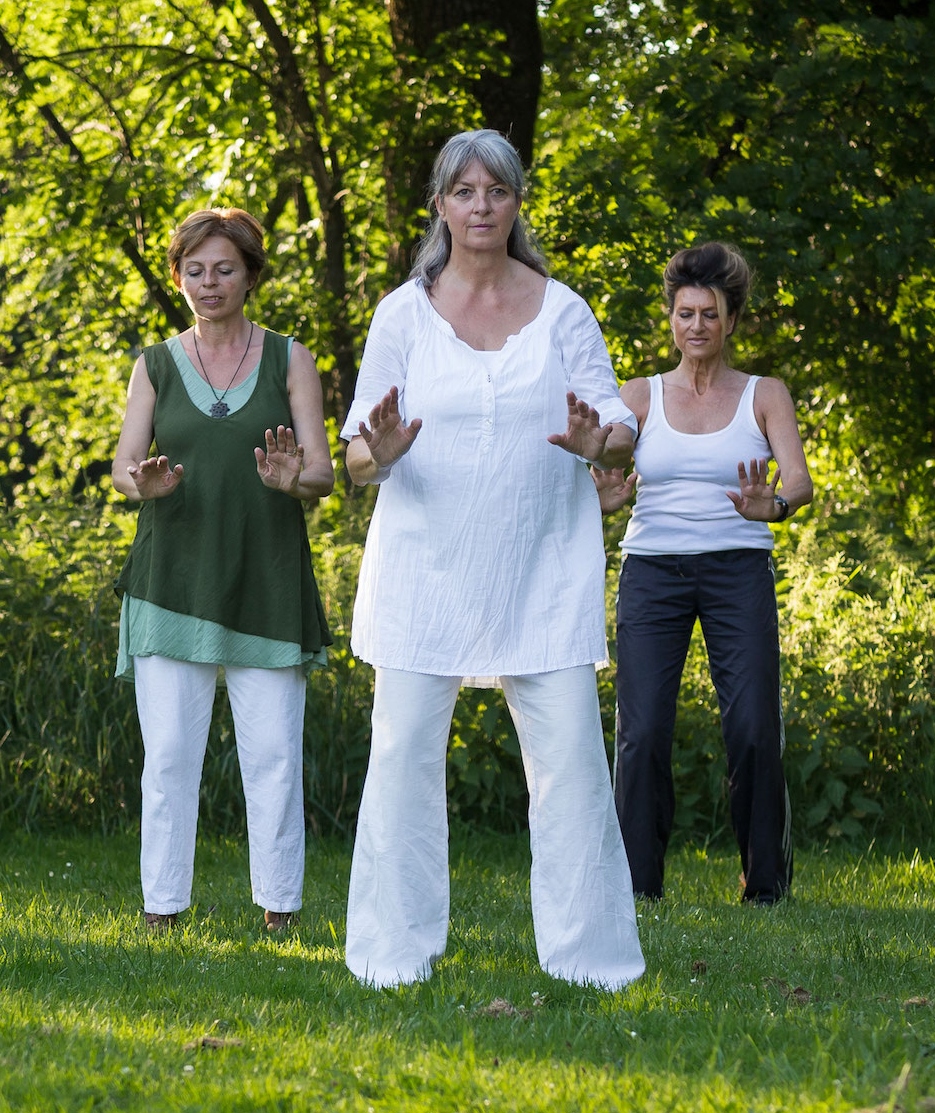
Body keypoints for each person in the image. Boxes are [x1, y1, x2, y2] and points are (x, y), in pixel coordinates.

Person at [339, 128, 645, 991]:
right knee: (400, 765)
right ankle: (391, 959)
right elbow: (357, 457)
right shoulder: (402, 313)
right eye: (465, 192)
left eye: (497, 192)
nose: (481, 207)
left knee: (575, 769)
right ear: (439, 204)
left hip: (543, 573)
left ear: (517, 205)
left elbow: (618, 429)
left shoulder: (563, 309)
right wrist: (382, 448)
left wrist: (603, 441)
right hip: (421, 578)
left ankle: (594, 964)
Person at [110, 207, 335, 931]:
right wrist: (137, 484)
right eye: (196, 270)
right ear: (178, 277)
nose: (210, 283)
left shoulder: (289, 358)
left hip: (265, 582)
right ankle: (163, 908)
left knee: (274, 757)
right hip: (171, 582)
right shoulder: (154, 364)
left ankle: (280, 908)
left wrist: (291, 482)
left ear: (250, 275)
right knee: (170, 758)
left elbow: (323, 474)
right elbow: (122, 465)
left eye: (225, 269)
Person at [595, 241, 813, 905]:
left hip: (738, 569)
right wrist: (602, 493)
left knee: (751, 726)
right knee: (643, 731)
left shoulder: (764, 394)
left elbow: (798, 487)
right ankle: (636, 886)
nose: (696, 326)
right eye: (685, 313)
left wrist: (767, 506)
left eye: (709, 314)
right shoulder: (637, 396)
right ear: (670, 318)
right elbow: (604, 458)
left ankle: (765, 884)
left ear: (732, 320)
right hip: (653, 572)